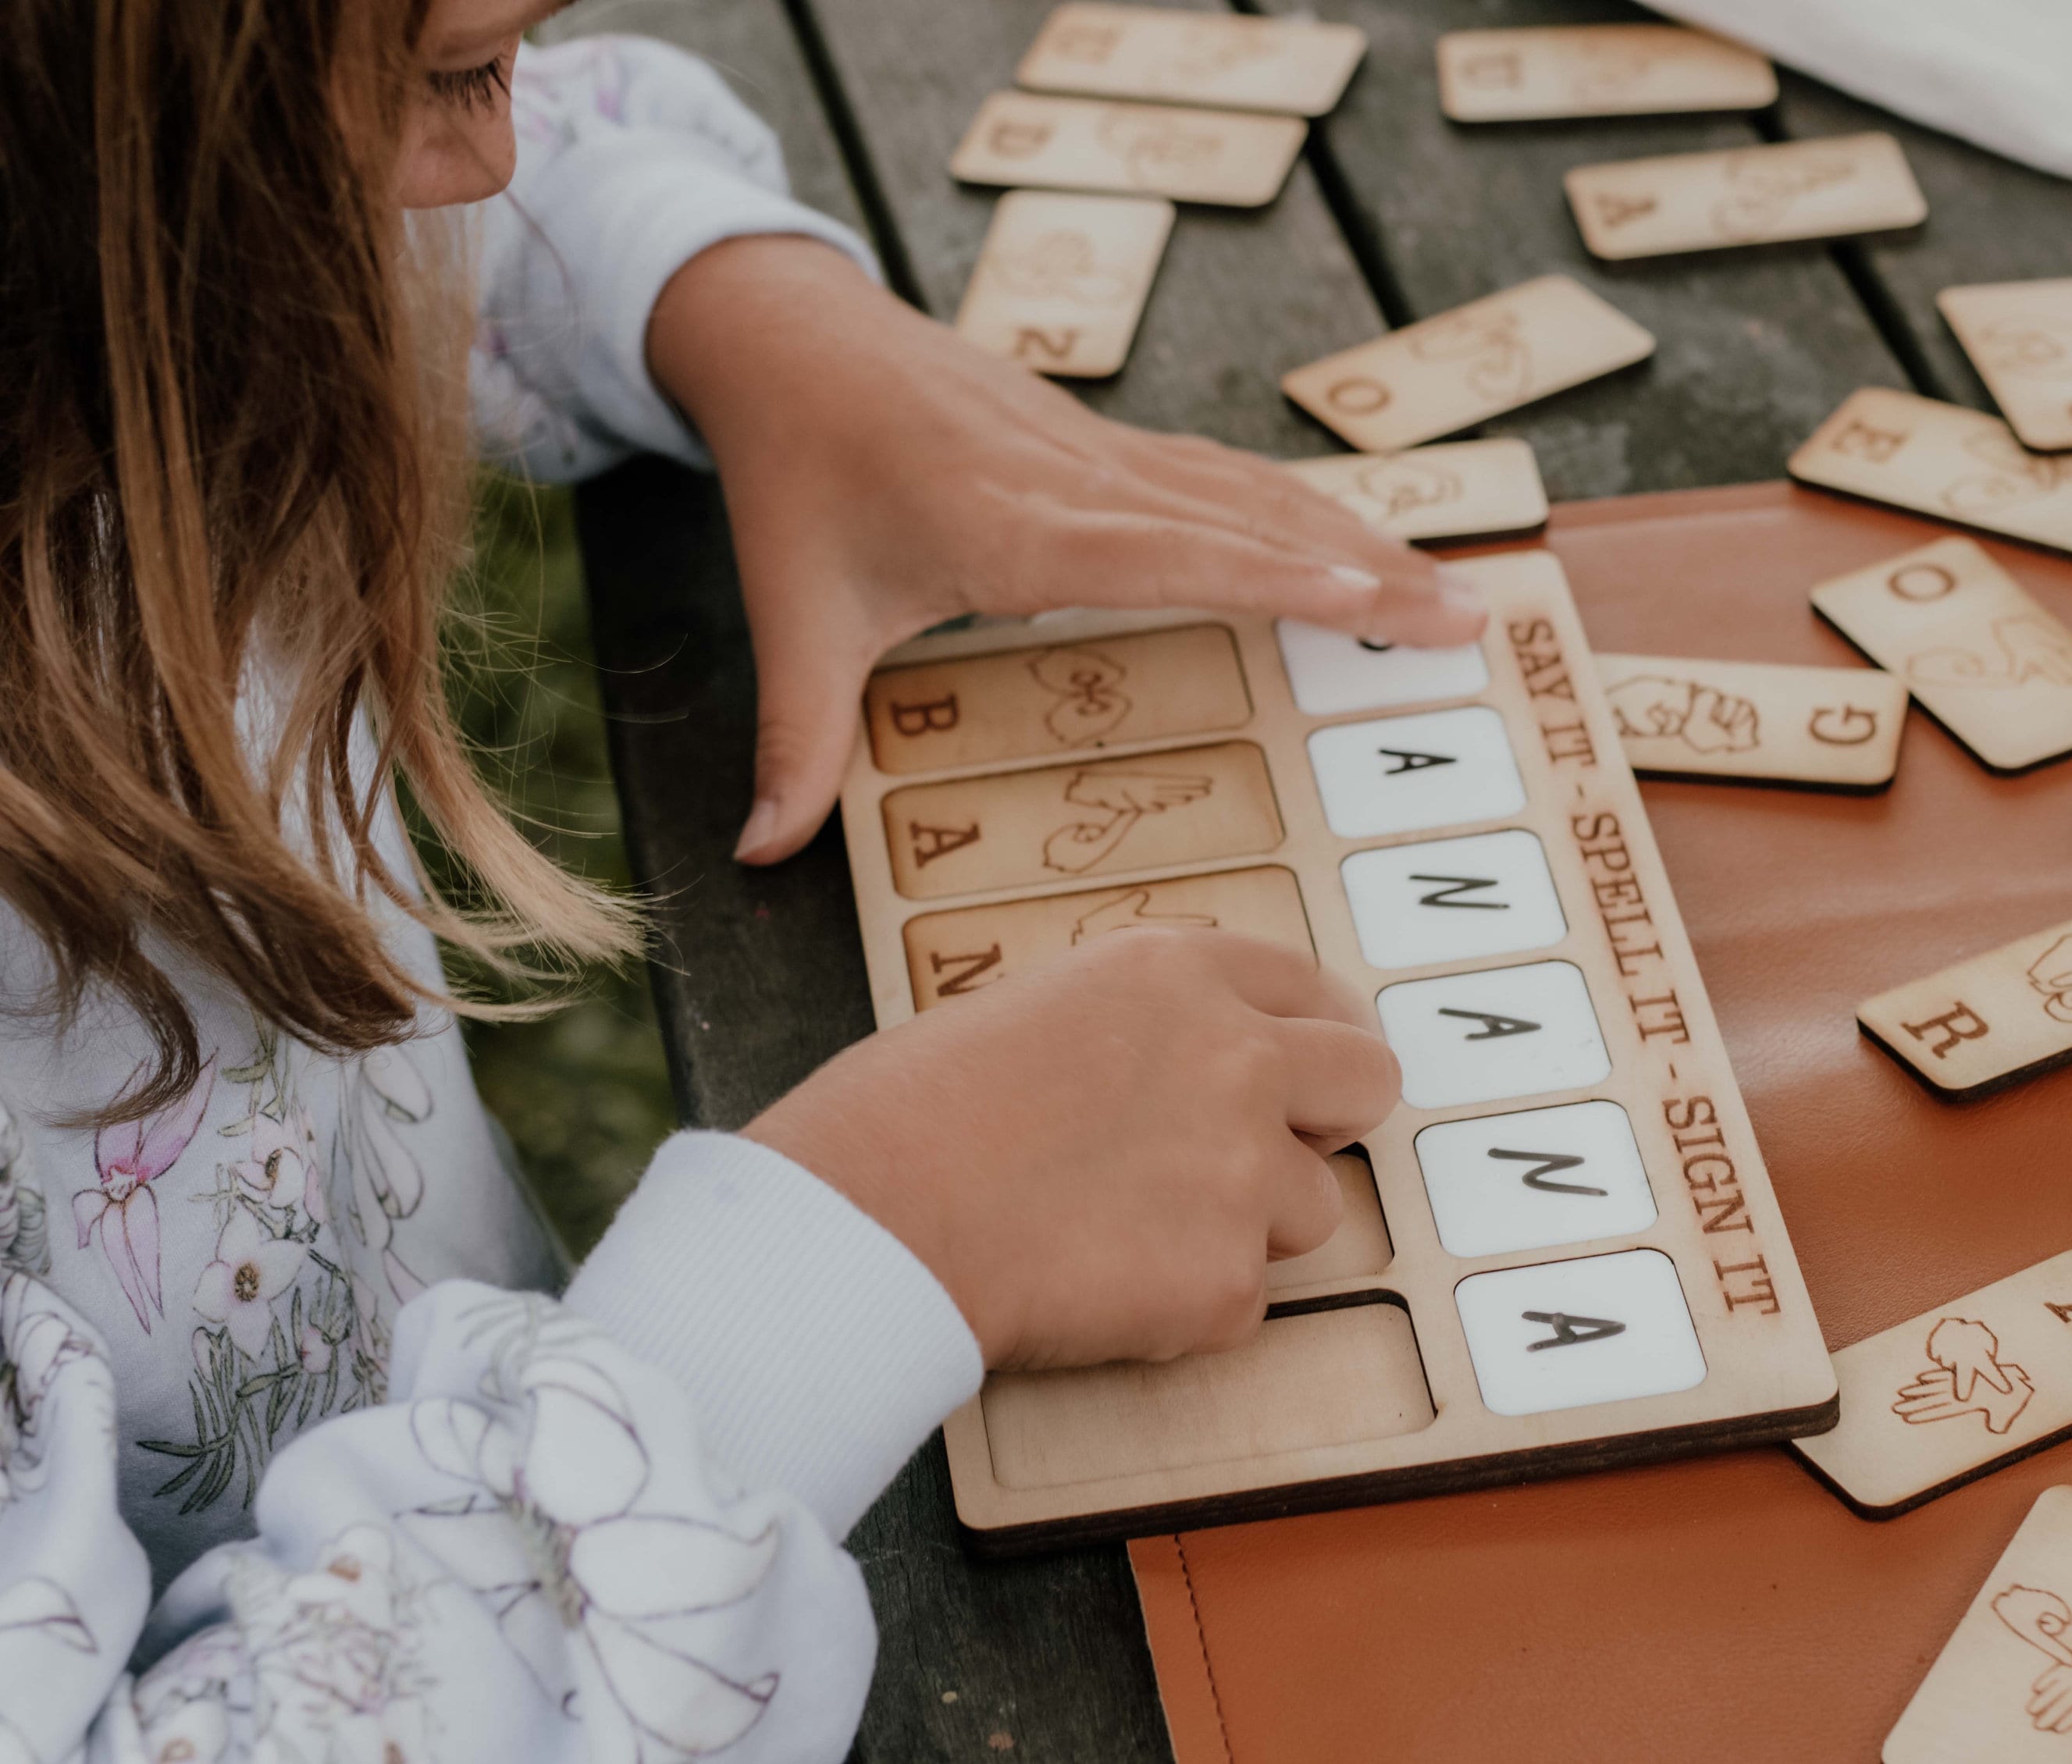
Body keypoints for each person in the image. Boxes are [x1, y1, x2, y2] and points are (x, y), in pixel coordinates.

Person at [0, 0, 1486, 1755]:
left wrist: (725, 301)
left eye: (463, 70)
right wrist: (852, 1259)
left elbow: (486, 152)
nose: (479, 138)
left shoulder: (107, 245)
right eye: (438, 76)